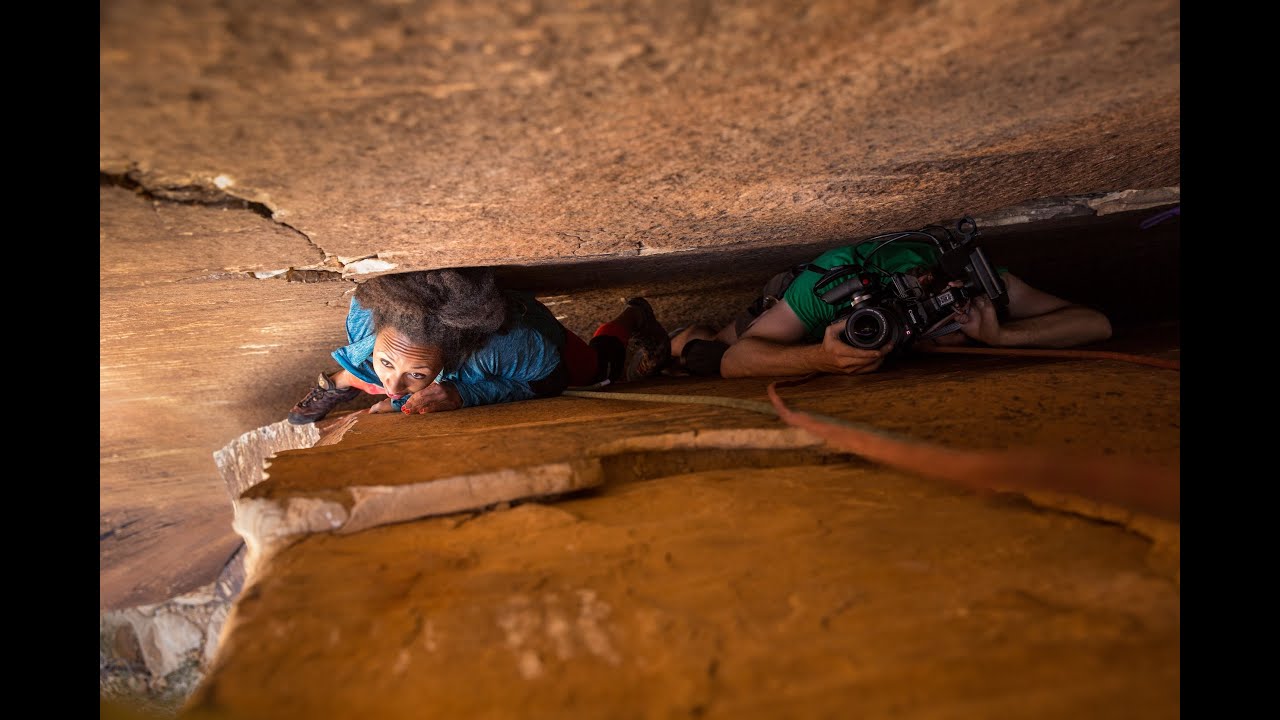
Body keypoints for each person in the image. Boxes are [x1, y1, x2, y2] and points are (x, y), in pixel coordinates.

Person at [670, 229, 1112, 379]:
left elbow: (1095, 324)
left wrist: (1003, 334)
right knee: (708, 349)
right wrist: (820, 357)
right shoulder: (829, 284)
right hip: (791, 300)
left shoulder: (973, 288)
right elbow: (737, 361)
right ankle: (668, 335)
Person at [286, 268, 671, 424]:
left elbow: (548, 384)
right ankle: (339, 382)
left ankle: (634, 317)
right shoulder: (366, 315)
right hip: (430, 353)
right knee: (376, 374)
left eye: (419, 371)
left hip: (533, 347)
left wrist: (464, 393)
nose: (393, 385)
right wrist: (400, 375)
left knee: (597, 372)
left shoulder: (513, 345)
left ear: (450, 359)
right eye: (385, 359)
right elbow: (391, 363)